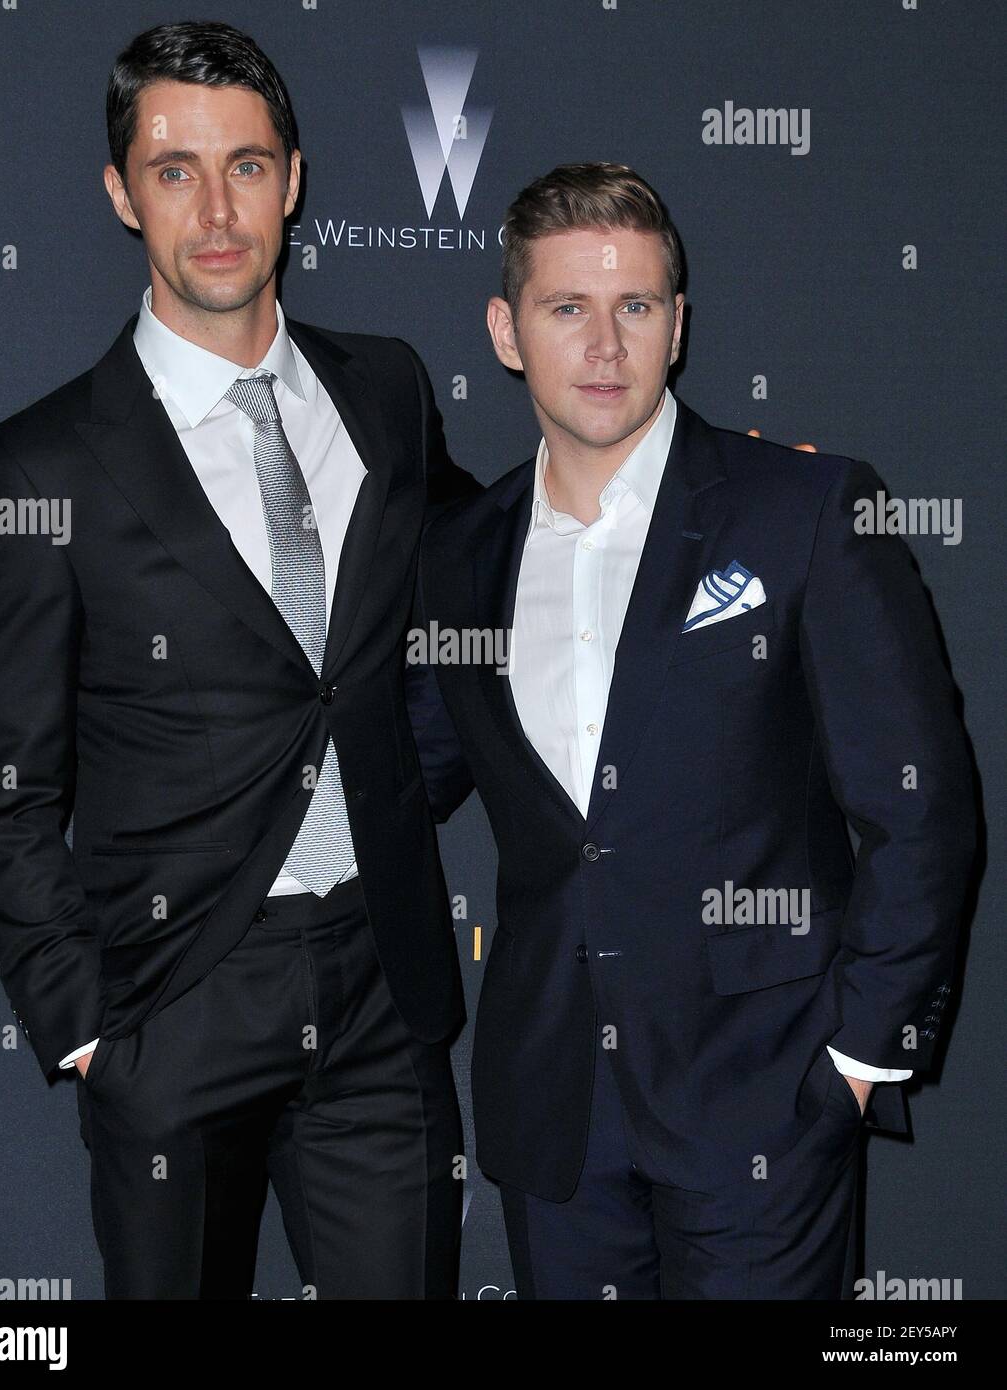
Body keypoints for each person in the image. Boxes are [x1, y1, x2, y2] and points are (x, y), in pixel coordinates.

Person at [0, 20, 477, 1300]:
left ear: (293, 180)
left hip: (378, 983)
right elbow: (9, 788)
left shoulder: (386, 389)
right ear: (121, 194)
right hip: (171, 997)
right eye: (174, 168)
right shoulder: (36, 468)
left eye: (245, 164)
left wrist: (675, 477)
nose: (216, 206)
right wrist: (86, 1030)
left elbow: (484, 561)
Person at [406, 162, 976, 1299]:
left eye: (636, 306)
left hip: (764, 1106)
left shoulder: (802, 510)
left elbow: (919, 808)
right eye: (567, 307)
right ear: (505, 331)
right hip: (554, 1117)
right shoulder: (456, 555)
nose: (604, 344)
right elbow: (399, 781)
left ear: (677, 324)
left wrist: (859, 1060)